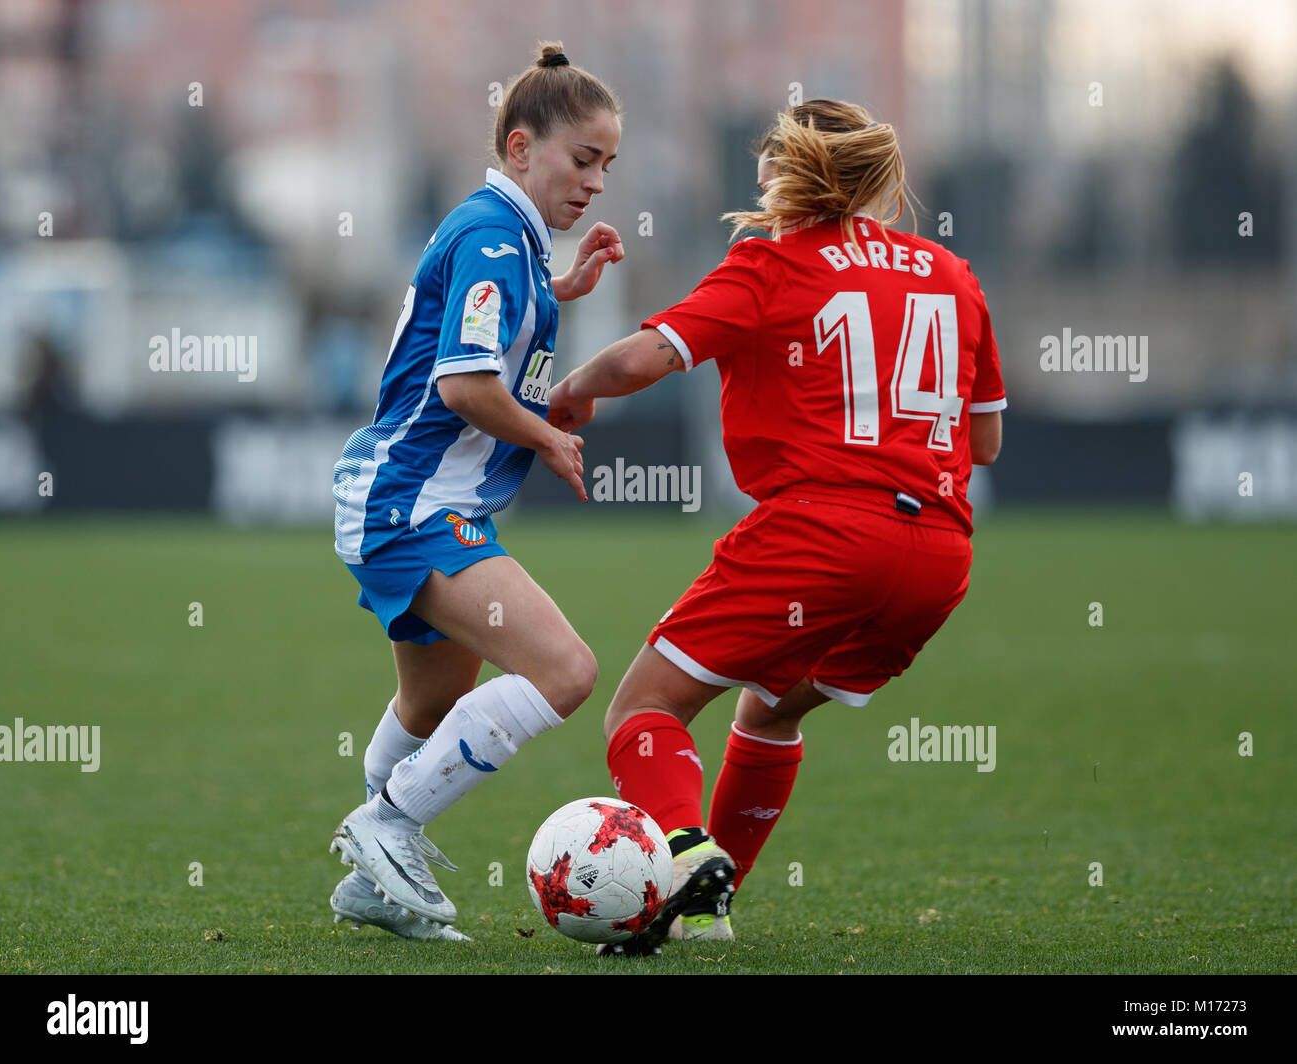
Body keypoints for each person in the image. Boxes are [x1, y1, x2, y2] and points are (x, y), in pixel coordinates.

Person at [547, 99, 1007, 954]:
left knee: (643, 710)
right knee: (768, 714)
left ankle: (683, 851)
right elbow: (984, 441)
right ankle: (706, 912)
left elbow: (641, 358)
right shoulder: (954, 274)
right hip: (938, 556)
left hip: (822, 534)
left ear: (791, 174)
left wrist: (569, 392)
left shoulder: (771, 263)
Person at [328, 42, 624, 941]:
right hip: (415, 507)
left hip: (401, 499)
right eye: (584, 159)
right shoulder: (496, 238)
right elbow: (464, 387)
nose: (597, 183)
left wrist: (561, 287)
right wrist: (549, 438)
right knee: (568, 671)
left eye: (609, 165)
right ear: (522, 146)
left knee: (431, 705)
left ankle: (372, 879)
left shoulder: (510, 241)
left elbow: (481, 347)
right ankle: (387, 827)